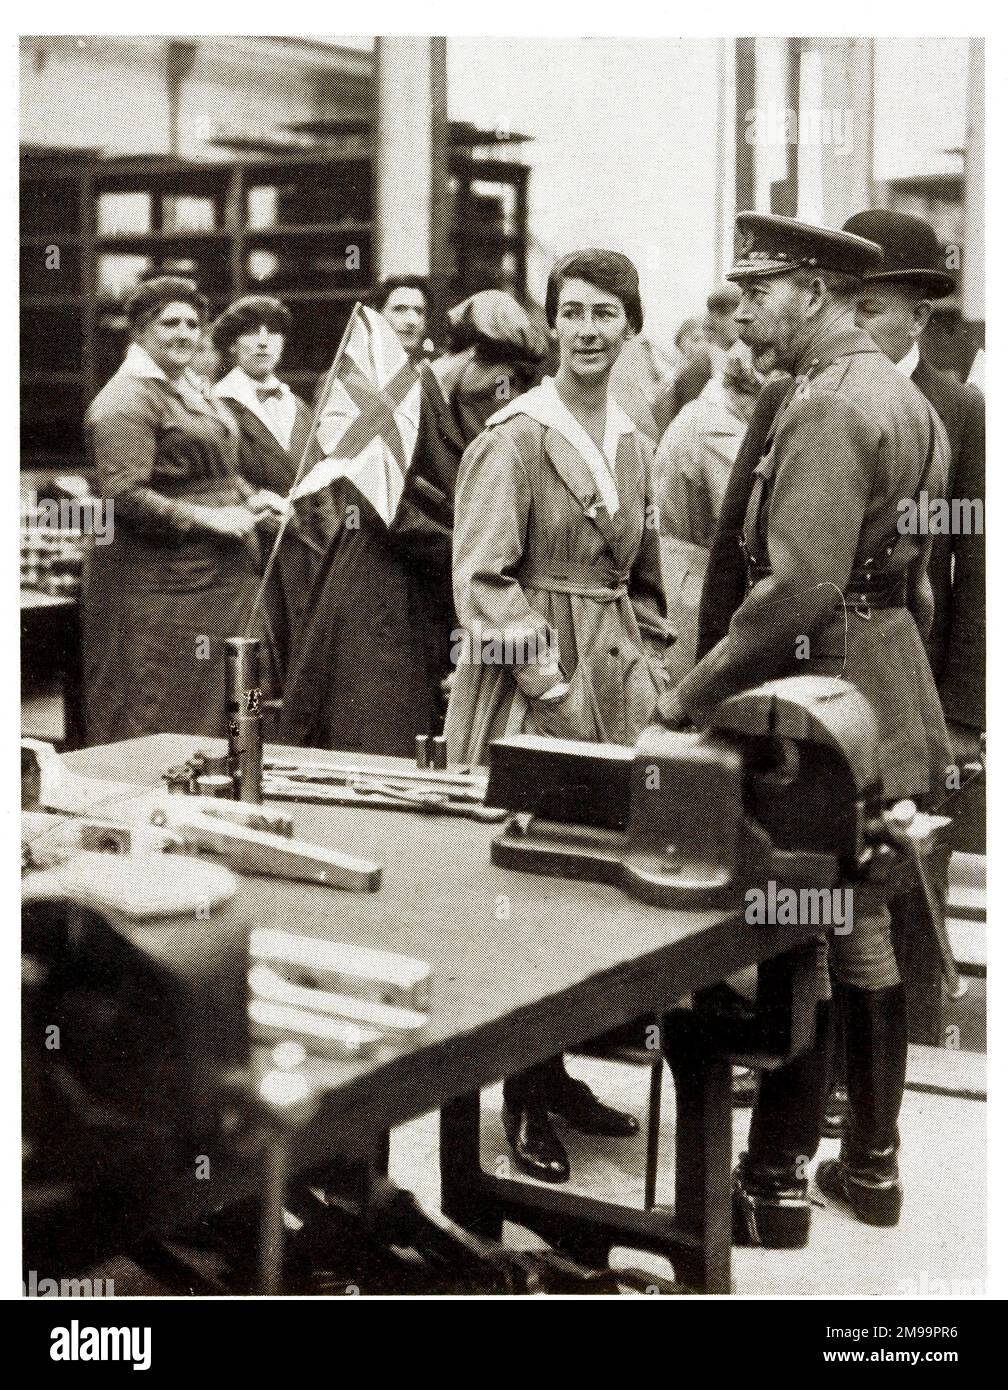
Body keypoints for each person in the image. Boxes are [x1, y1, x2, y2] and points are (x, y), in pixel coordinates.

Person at [656, 213, 952, 1244]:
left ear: (815, 292)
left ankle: (776, 1178)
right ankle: (871, 1166)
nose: (739, 313)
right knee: (862, 922)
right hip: (886, 683)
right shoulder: (907, 399)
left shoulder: (828, 408)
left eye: (757, 291)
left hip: (821, 694)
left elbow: (796, 590)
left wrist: (690, 692)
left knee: (801, 932)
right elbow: (906, 582)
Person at [445, 248, 671, 1183]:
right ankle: (522, 1093)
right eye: (572, 312)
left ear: (630, 327)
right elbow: (481, 580)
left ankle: (559, 1071)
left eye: (605, 314)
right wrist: (548, 682)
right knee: (526, 883)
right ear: (552, 327)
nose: (587, 329)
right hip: (528, 683)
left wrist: (649, 662)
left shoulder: (633, 436)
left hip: (614, 680)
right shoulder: (515, 435)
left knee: (590, 884)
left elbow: (646, 573)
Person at [81, 277, 278, 744]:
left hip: (222, 579)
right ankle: (161, 796)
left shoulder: (193, 386)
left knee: (240, 685)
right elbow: (122, 494)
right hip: (163, 586)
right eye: (170, 322)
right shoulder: (125, 399)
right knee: (162, 697)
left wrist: (252, 497)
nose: (185, 333)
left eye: (193, 323)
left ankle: (237, 772)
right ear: (140, 331)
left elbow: (216, 471)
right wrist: (211, 518)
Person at [656, 341, 768, 683]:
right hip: (694, 583)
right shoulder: (717, 428)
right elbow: (750, 521)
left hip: (681, 574)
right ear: (747, 395)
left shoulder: (701, 414)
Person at [211, 295, 314, 496]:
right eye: (252, 332)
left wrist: (327, 528)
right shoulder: (217, 405)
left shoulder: (298, 406)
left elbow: (319, 484)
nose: (264, 342)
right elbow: (227, 482)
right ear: (232, 345)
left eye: (273, 332)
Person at [372, 274, 432, 363]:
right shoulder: (355, 370)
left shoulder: (436, 370)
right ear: (377, 314)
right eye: (400, 309)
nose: (412, 321)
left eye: (419, 311)